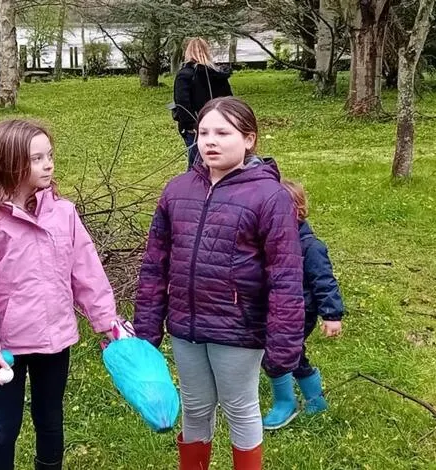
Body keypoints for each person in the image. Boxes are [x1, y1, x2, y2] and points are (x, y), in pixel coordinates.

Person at [134, 96, 304, 470]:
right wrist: (146, 328)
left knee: (239, 406)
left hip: (239, 328)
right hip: (186, 326)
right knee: (194, 405)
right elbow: (154, 265)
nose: (210, 140)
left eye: (222, 133)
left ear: (249, 139)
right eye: (203, 132)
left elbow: (286, 276)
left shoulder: (270, 197)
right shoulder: (177, 190)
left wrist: (283, 344)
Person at [0, 119, 121, 470]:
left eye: (49, 155)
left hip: (55, 338)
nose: (48, 164)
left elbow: (86, 270)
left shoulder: (63, 213)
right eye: (37, 159)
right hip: (8, 347)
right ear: (8, 163)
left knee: (50, 418)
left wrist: (108, 322)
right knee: (6, 424)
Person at [261, 179, 346, 430]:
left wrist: (332, 315)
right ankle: (315, 400)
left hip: (300, 311)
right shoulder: (270, 243)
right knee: (292, 354)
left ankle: (284, 404)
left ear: (296, 212)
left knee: (279, 354)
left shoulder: (311, 247)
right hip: (274, 308)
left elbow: (324, 282)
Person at [172, 37, 234, 170]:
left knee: (197, 165)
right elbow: (229, 101)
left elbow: (182, 103)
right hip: (219, 125)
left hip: (195, 127)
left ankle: (195, 188)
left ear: (187, 52)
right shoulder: (217, 75)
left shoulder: (185, 75)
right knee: (217, 162)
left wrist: (190, 125)